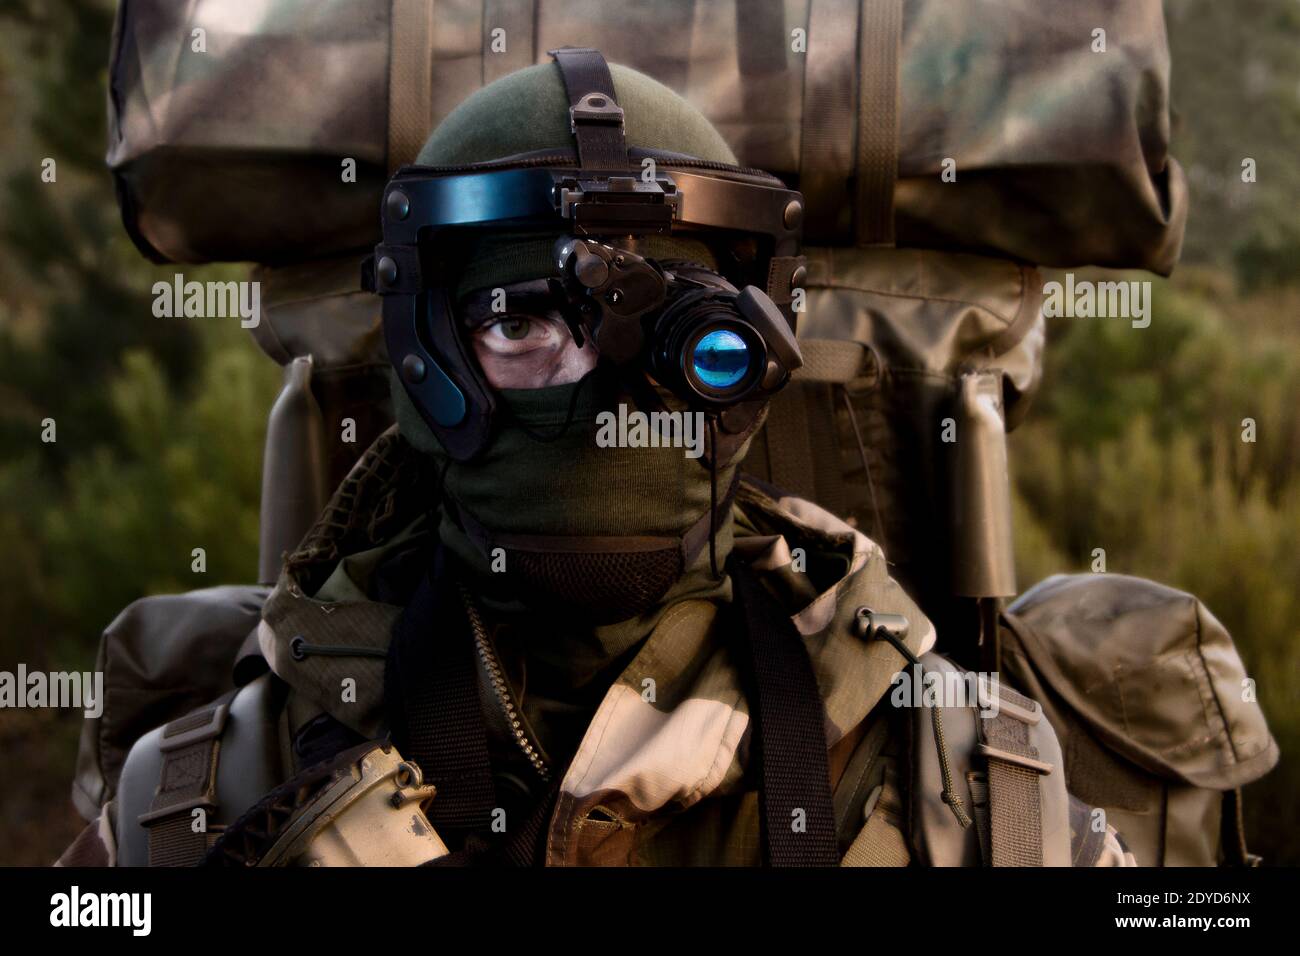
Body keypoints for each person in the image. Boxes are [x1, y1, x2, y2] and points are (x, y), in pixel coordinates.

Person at [58, 49, 1131, 868]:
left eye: (677, 339)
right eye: (521, 324)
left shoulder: (974, 784)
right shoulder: (210, 790)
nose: (603, 396)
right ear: (428, 352)